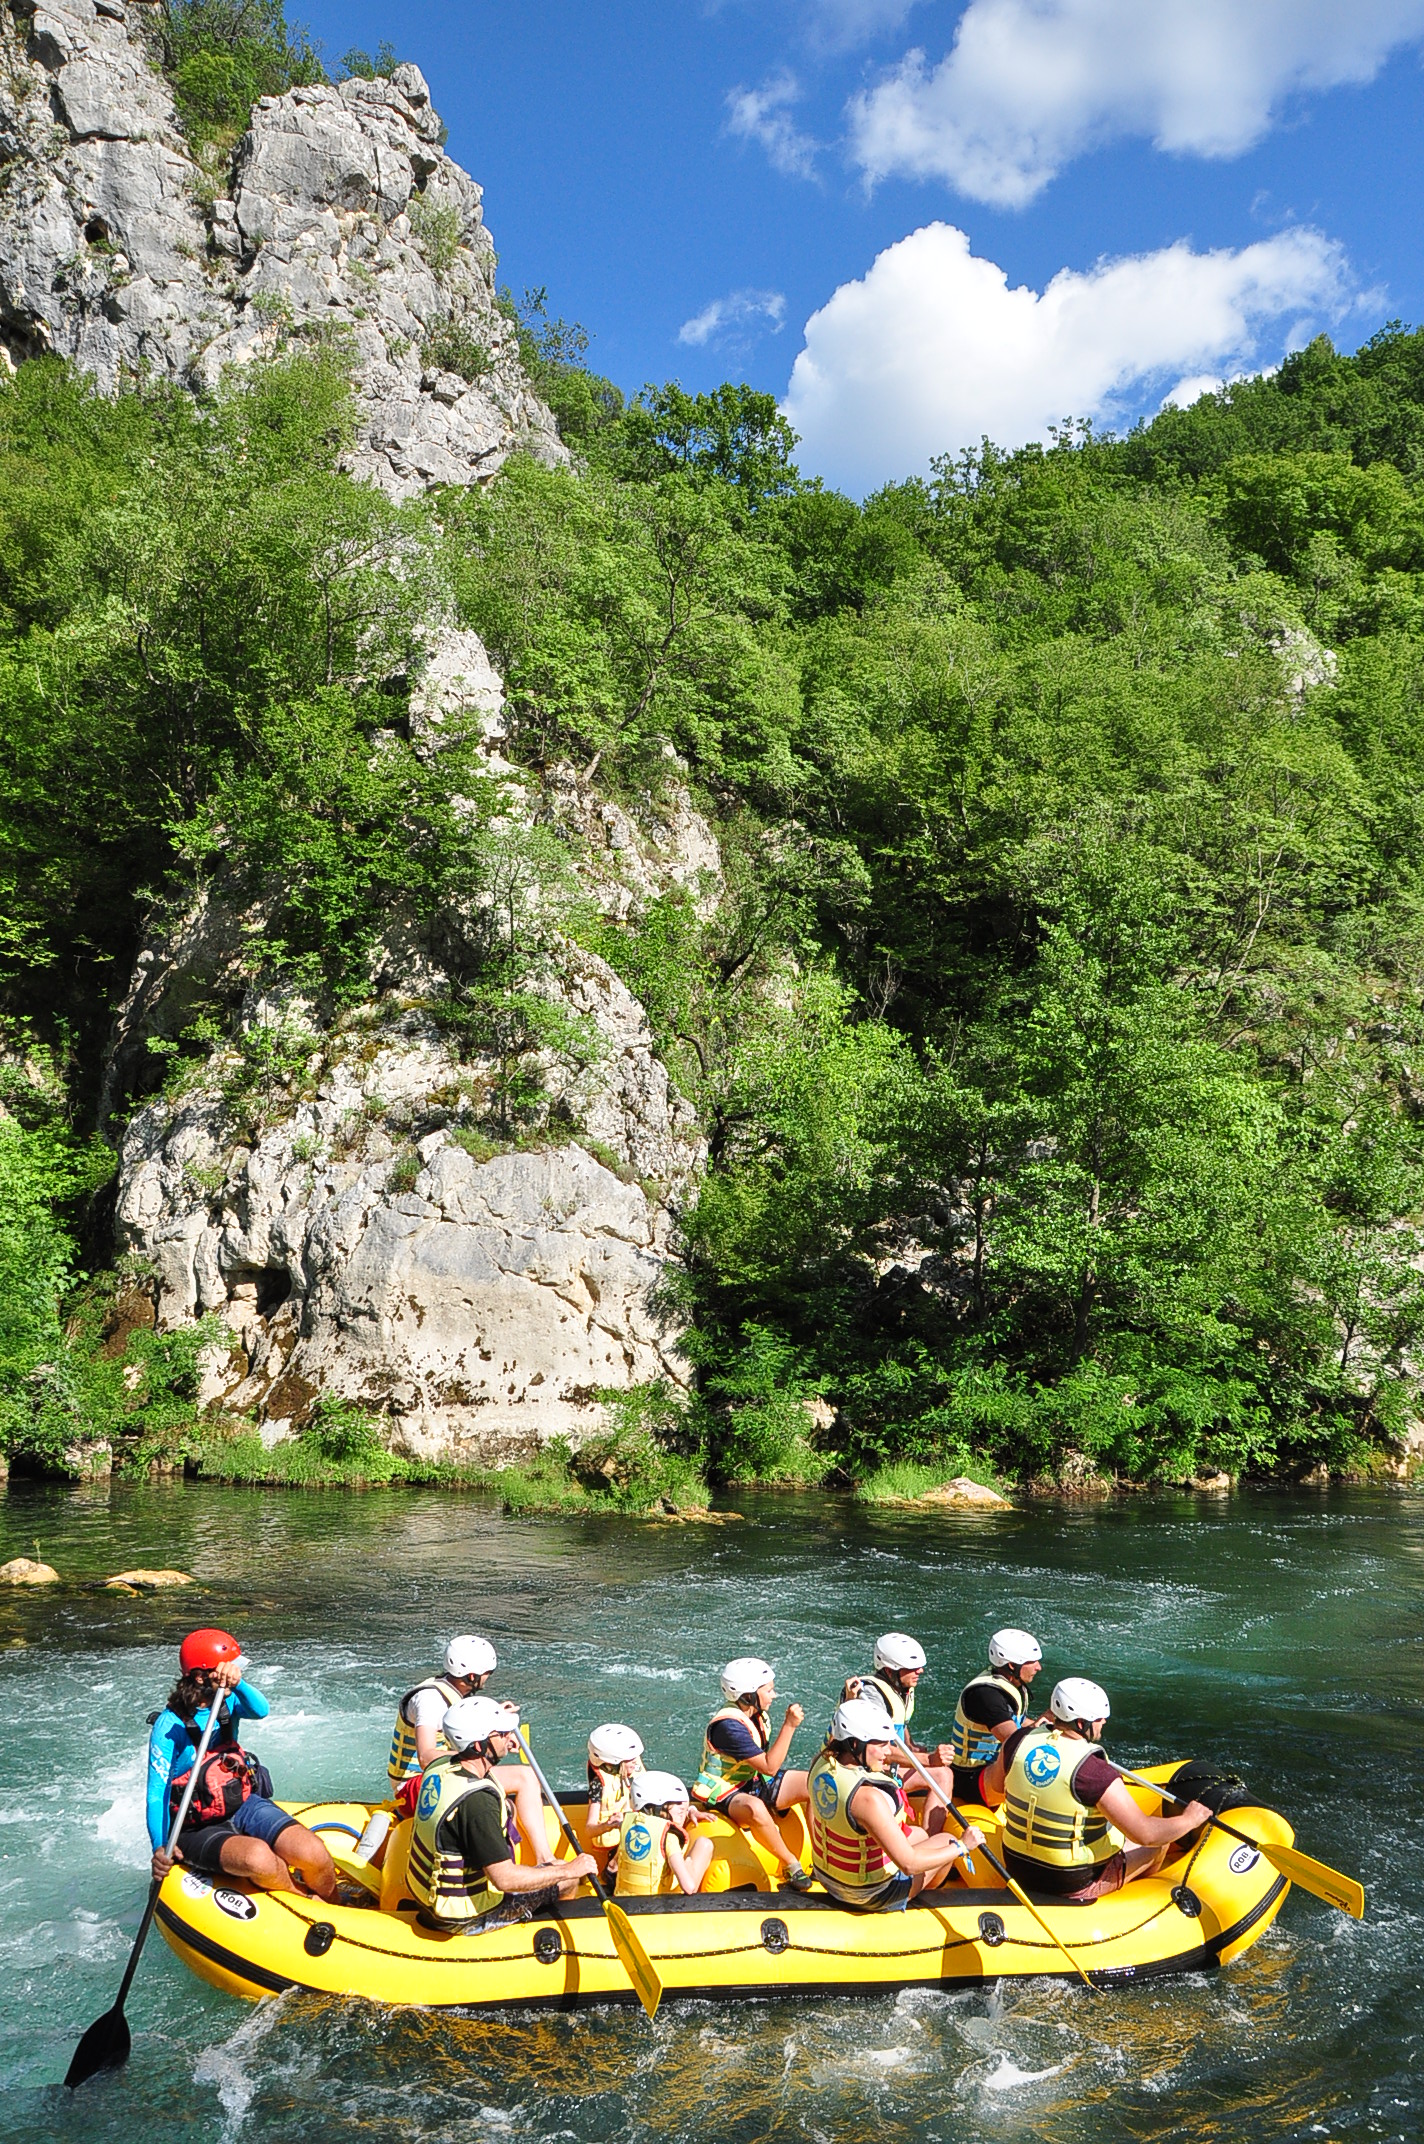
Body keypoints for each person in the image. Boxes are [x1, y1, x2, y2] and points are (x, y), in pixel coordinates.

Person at [978, 1677, 1212, 1901]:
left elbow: (997, 1786)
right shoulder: (1094, 1771)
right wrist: (1190, 1819)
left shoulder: (1016, 1740)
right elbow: (1145, 1834)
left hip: (1017, 1866)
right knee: (1159, 1844)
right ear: (1081, 1723)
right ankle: (1137, 1899)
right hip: (1069, 1882)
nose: (1104, 1722)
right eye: (1099, 1719)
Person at [147, 1627, 336, 1900]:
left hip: (242, 1803)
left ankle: (338, 1903)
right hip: (196, 1824)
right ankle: (303, 1897)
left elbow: (261, 1710)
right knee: (259, 1859)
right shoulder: (169, 1726)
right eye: (226, 1666)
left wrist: (239, 1684)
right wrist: (160, 1844)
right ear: (201, 1676)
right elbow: (157, 1793)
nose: (233, 1670)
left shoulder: (229, 1699)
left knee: (313, 1853)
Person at [406, 1696, 598, 1932]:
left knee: (509, 1807)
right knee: (567, 1880)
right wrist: (569, 1869)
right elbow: (504, 1879)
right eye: (503, 1734)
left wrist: (502, 1740)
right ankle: (556, 1932)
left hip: (427, 1896)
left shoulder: (442, 1765)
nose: (510, 1737)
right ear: (479, 1745)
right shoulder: (478, 1804)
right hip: (464, 1917)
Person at [387, 1635, 557, 1871]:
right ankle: (545, 1860)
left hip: (439, 1776)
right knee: (525, 1777)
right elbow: (426, 1756)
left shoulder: (449, 1690)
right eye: (488, 1673)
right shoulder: (430, 1701)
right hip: (414, 1788)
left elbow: (458, 1730)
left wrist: (496, 1726)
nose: (489, 1677)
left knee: (506, 1795)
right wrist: (478, 1752)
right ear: (471, 1676)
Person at [806, 1699, 985, 1910]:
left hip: (827, 1877)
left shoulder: (821, 1763)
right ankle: (923, 1899)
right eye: (881, 1744)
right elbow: (909, 1864)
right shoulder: (868, 1799)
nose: (888, 1752)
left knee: (920, 1835)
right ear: (855, 1744)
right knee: (947, 1841)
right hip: (869, 1894)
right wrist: (963, 1846)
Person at [692, 1656, 813, 1891]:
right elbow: (769, 1766)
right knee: (755, 1808)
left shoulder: (754, 1714)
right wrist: (789, 1726)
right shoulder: (728, 1727)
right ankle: (790, 1864)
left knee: (813, 1783)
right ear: (748, 1696)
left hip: (752, 1781)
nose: (773, 1695)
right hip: (725, 1793)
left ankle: (820, 1858)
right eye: (768, 1690)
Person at [844, 1632, 958, 1807]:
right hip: (866, 1769)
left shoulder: (902, 1687)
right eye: (912, 1668)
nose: (920, 1671)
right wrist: (928, 1759)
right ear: (890, 1671)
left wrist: (910, 1745)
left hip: (884, 1762)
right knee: (943, 1775)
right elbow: (880, 1749)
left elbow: (899, 1722)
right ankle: (931, 1835)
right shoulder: (869, 1697)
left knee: (939, 1767)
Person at [947, 1628, 1045, 1802]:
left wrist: (1047, 1726)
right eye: (1032, 1662)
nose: (1039, 1667)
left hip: (988, 1770)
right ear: (1012, 1665)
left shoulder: (1012, 1684)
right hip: (970, 1778)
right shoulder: (986, 1695)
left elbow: (1018, 1723)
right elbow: (1013, 1741)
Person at [614, 1771, 715, 1898]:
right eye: (679, 1806)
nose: (682, 1812)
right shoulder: (669, 1838)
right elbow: (689, 1887)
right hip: (655, 1905)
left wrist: (691, 1811)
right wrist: (687, 1864)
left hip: (621, 1900)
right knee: (704, 1844)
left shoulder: (626, 1823)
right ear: (660, 1807)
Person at [586, 1723, 645, 1877]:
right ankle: (612, 1870)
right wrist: (608, 1825)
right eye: (629, 1760)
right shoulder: (598, 1785)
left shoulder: (633, 1766)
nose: (635, 1762)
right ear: (612, 1762)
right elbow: (589, 1829)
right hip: (616, 1842)